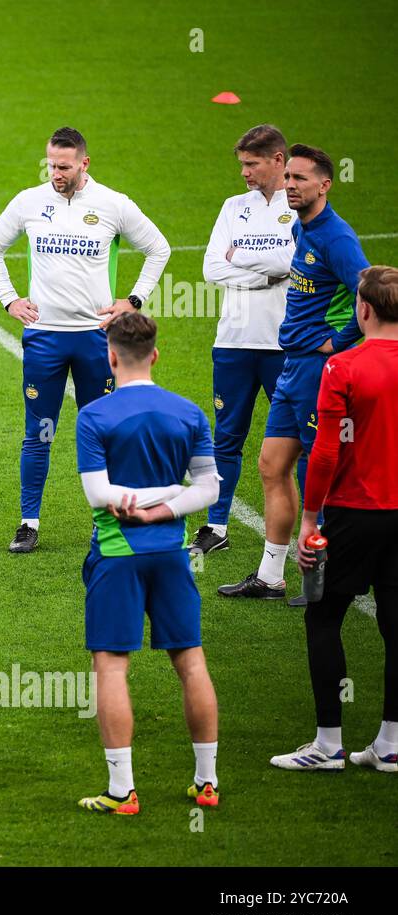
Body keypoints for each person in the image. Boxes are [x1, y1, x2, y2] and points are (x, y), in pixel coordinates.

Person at [0, 127, 171, 554]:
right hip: (45, 337)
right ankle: (29, 522)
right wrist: (9, 300)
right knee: (39, 433)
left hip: (95, 337)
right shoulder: (29, 201)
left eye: (64, 166)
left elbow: (159, 248)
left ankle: (102, 521)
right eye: (51, 164)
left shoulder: (112, 204)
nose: (56, 173)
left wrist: (134, 300)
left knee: (102, 430)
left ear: (85, 163)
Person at [74, 312, 221, 814]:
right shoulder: (189, 412)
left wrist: (139, 505)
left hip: (117, 555)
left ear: (110, 357)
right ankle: (207, 783)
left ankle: (122, 791)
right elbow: (209, 489)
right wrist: (168, 501)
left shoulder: (94, 415)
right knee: (191, 661)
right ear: (155, 354)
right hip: (173, 555)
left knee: (112, 668)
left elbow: (98, 493)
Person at [219, 144, 368, 602]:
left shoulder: (335, 237)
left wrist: (337, 342)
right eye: (290, 179)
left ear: (324, 185)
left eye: (301, 179)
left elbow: (371, 295)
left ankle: (327, 578)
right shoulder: (303, 229)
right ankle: (270, 576)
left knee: (322, 470)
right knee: (271, 465)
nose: (291, 186)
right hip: (293, 366)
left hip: (315, 370)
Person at [271, 265, 398, 773]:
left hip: (353, 512)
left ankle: (328, 745)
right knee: (395, 623)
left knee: (324, 616)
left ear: (363, 309)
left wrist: (308, 519)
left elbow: (323, 452)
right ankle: (390, 744)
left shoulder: (342, 366)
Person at [190, 125, 294, 556]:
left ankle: (317, 526)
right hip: (233, 340)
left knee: (299, 440)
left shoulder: (300, 205)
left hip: (285, 343)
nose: (245, 173)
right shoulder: (234, 207)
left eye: (252, 164)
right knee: (226, 438)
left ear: (277, 160)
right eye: (242, 165)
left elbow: (292, 261)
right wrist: (266, 273)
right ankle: (216, 526)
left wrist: (243, 259)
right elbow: (212, 268)